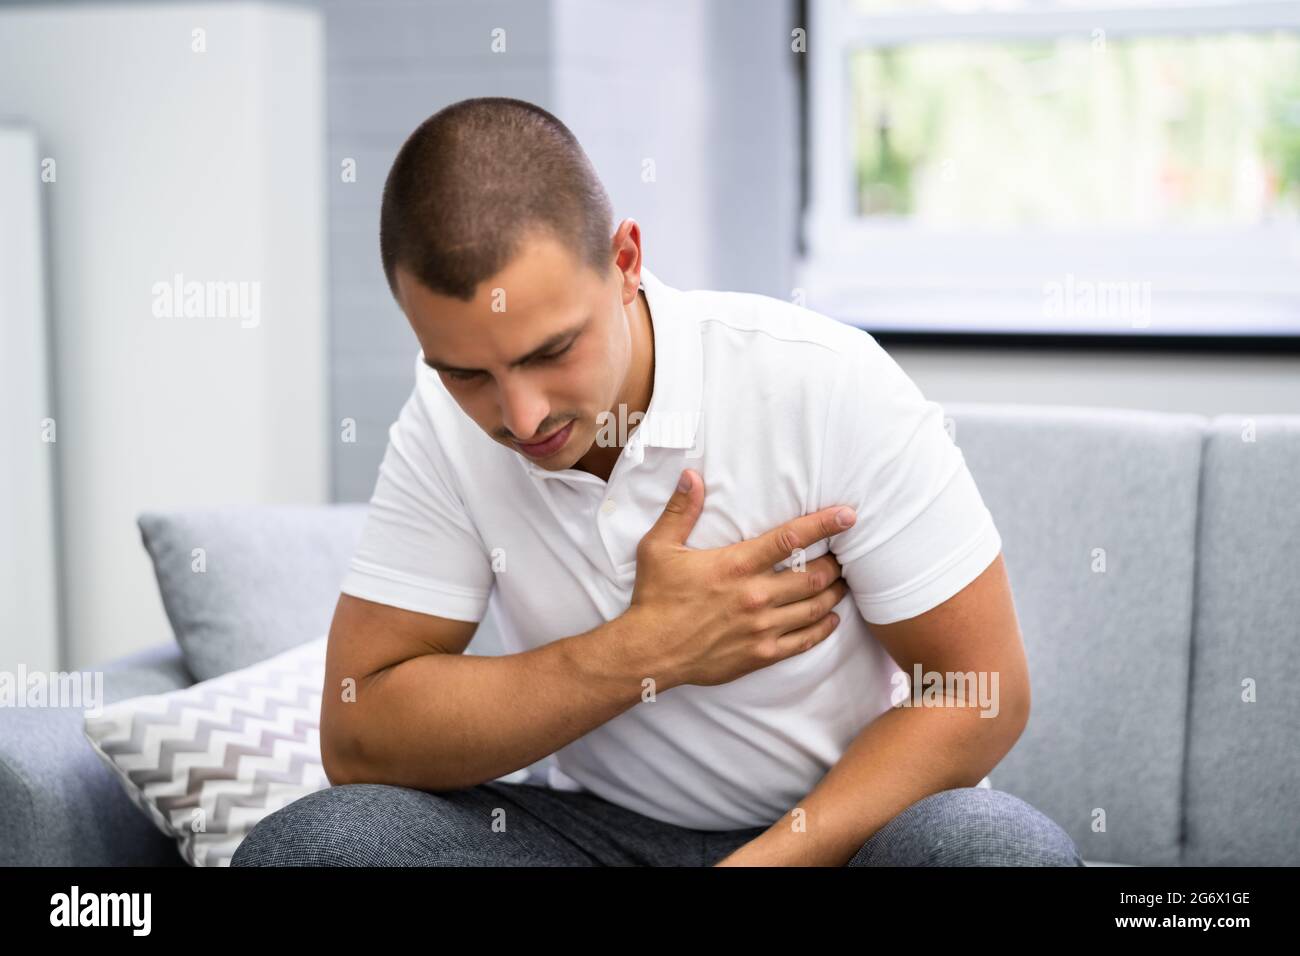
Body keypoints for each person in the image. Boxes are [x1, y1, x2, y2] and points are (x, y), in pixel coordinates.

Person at [232, 96, 1083, 867]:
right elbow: (361, 734)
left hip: (836, 837)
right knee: (315, 851)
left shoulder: (822, 381)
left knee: (1000, 852)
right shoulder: (441, 420)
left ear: (626, 259)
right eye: (467, 373)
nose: (521, 418)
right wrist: (645, 651)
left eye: (550, 351)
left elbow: (985, 693)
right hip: (592, 834)